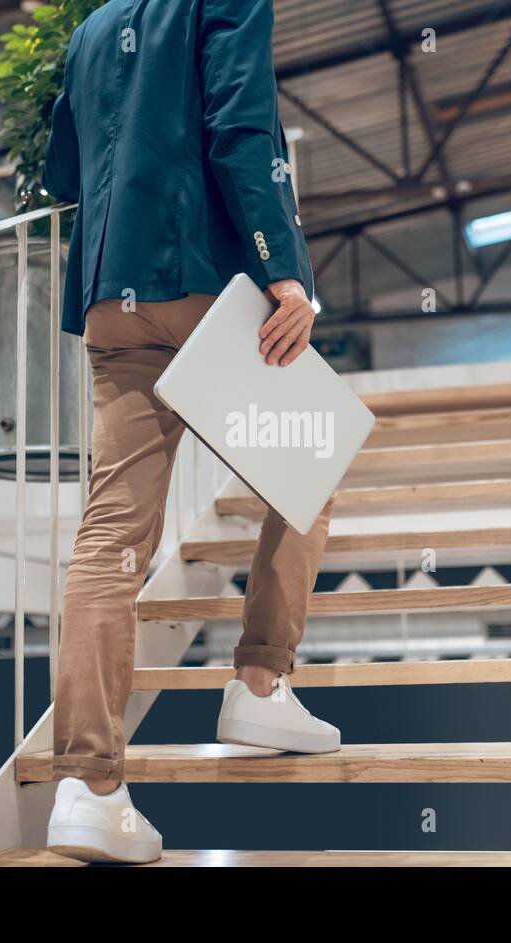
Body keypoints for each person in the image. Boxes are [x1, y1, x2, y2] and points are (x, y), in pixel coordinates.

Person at [39, 0, 338, 864]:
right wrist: (283, 271)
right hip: (199, 281)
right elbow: (241, 128)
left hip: (108, 297)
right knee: (310, 468)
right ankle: (258, 682)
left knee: (111, 537)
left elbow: (68, 168)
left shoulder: (91, 30)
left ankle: (87, 788)